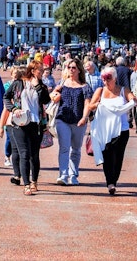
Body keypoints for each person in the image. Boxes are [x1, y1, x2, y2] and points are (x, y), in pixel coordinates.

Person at [0, 61, 50, 195]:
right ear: (33, 70)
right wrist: (14, 109)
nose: (42, 72)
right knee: (24, 154)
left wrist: (38, 86)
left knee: (34, 155)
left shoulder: (41, 86)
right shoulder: (18, 83)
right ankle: (26, 184)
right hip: (19, 123)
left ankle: (34, 181)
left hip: (36, 123)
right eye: (40, 70)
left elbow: (46, 100)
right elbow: (6, 97)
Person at [87, 66, 137, 195]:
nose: (106, 82)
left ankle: (113, 180)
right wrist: (97, 105)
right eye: (103, 79)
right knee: (107, 155)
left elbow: (134, 99)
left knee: (118, 156)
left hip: (122, 130)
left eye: (108, 78)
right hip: (105, 130)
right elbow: (90, 106)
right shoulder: (100, 91)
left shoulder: (122, 90)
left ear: (114, 78)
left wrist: (133, 101)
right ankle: (110, 182)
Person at [51, 58, 92, 186]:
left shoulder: (85, 87)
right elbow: (53, 96)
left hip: (78, 120)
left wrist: (84, 118)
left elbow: (87, 104)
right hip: (62, 118)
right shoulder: (62, 83)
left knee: (76, 149)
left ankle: (73, 175)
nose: (71, 70)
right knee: (64, 148)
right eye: (69, 67)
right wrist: (54, 93)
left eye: (73, 67)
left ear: (79, 70)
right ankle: (63, 175)